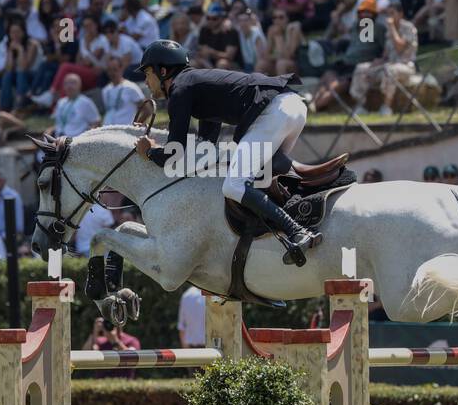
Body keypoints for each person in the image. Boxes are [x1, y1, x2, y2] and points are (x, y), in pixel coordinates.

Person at [134, 39, 320, 262]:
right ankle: (298, 219)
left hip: (274, 111)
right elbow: (206, 146)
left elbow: (175, 154)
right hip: (293, 106)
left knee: (234, 185)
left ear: (162, 71)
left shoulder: (180, 89)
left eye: (147, 73)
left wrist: (149, 151)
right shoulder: (196, 84)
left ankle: (297, 231)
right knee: (263, 177)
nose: (146, 81)